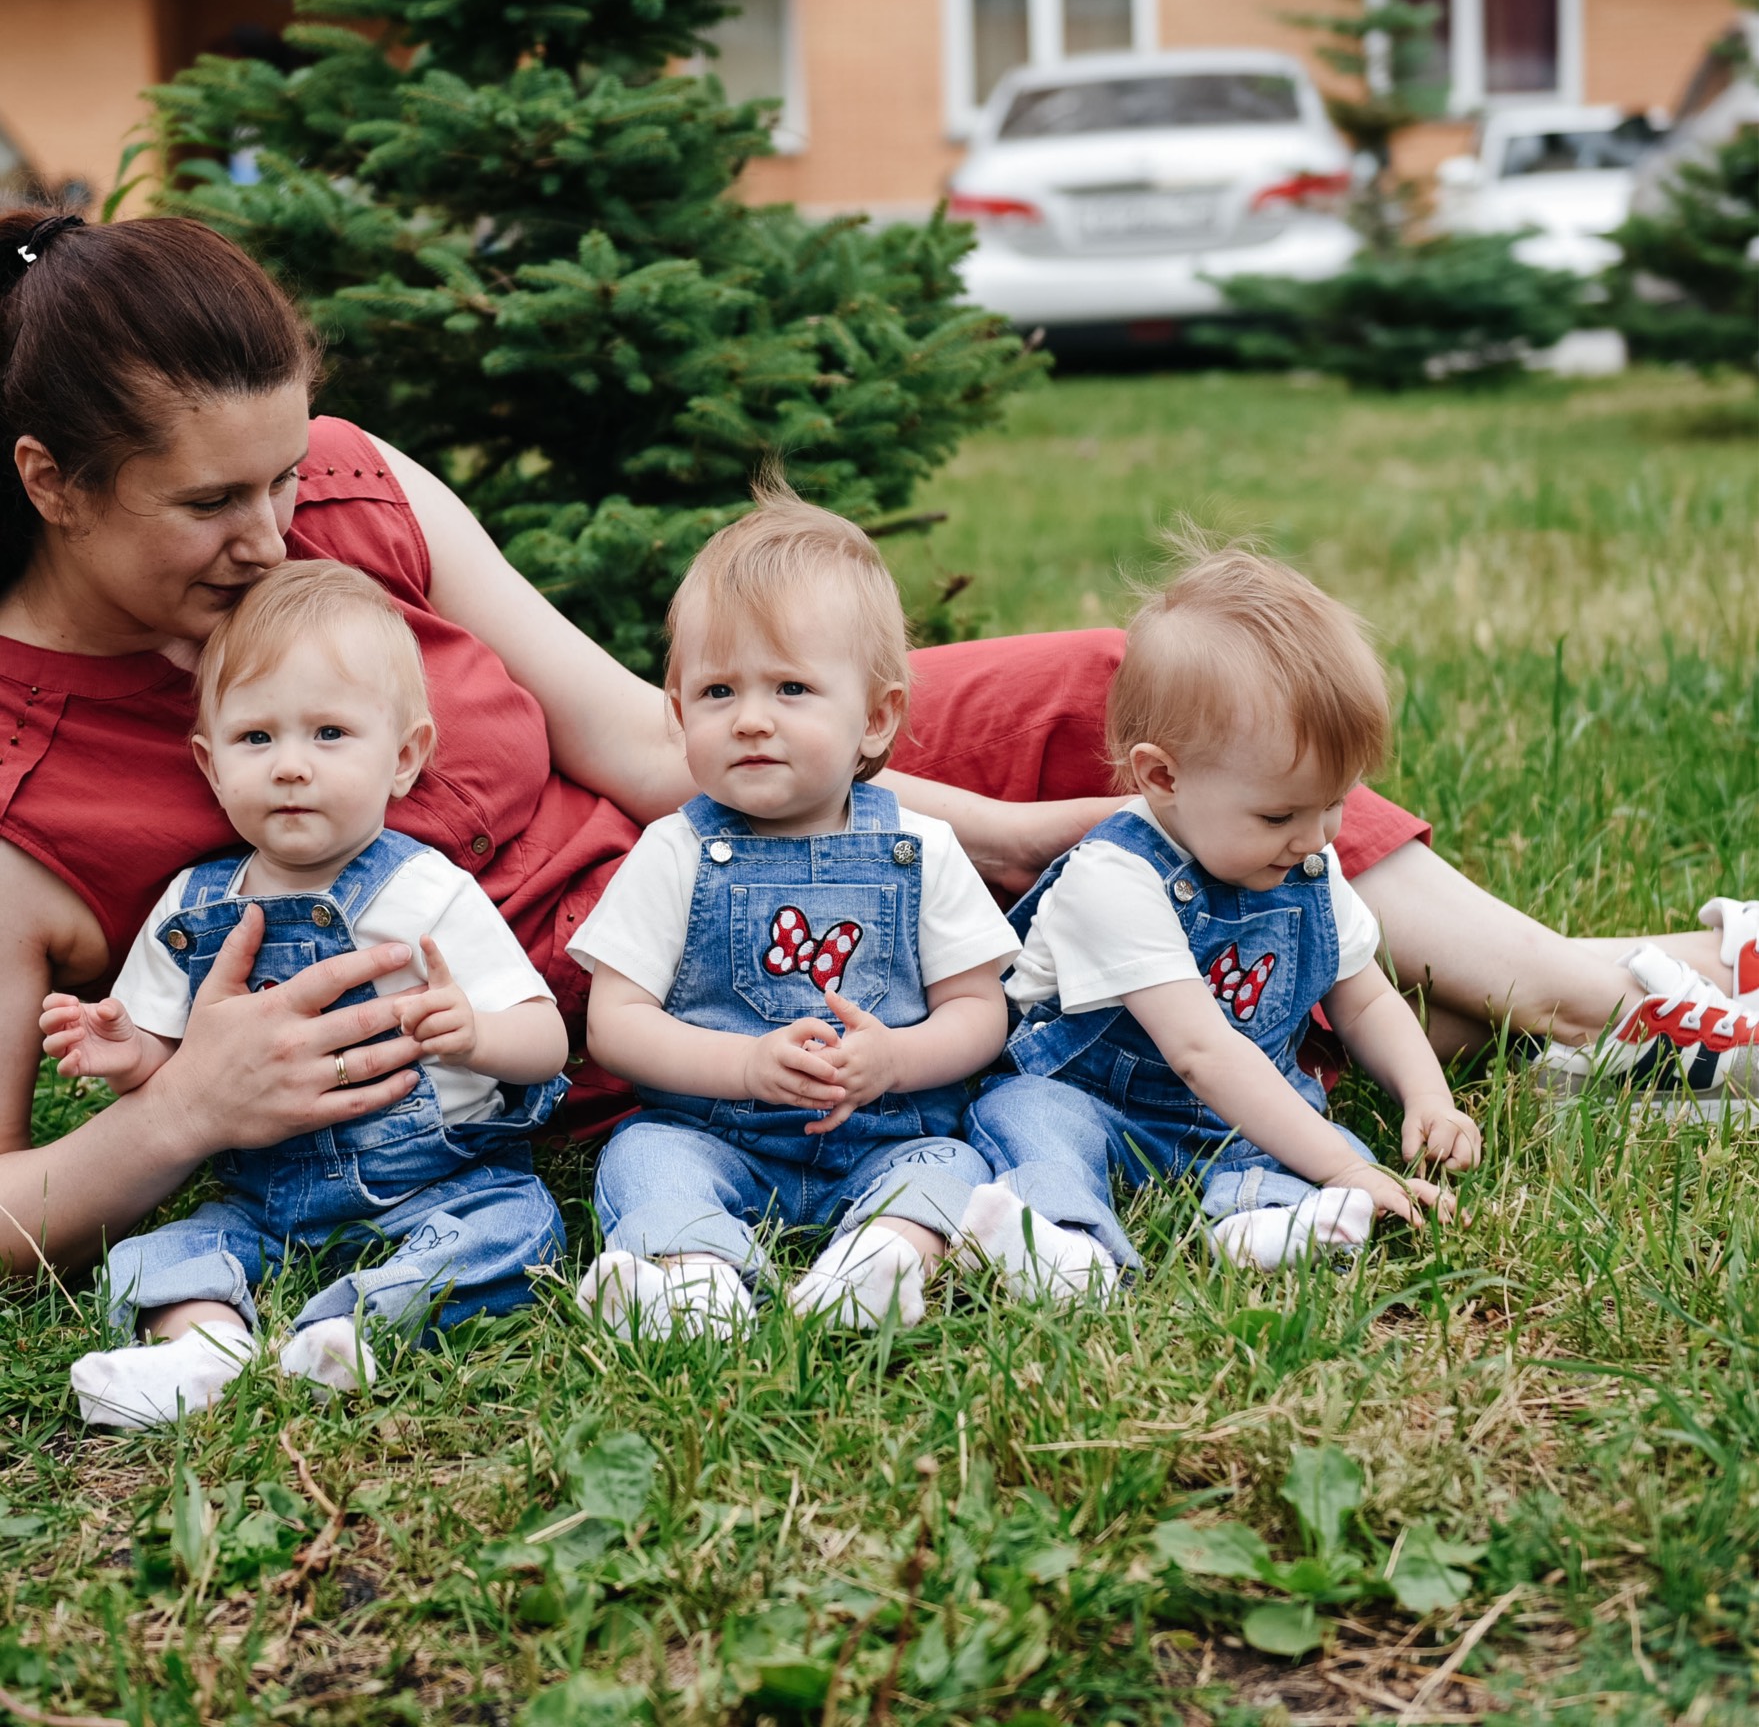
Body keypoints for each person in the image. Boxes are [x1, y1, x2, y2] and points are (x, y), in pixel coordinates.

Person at [0, 207, 1750, 1283]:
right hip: (676, 994)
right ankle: (1652, 1002)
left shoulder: (362, 493)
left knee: (1120, 689)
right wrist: (185, 1117)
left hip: (770, 791)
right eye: (209, 502)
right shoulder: (18, 790)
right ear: (50, 484)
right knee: (1317, 1003)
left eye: (288, 476)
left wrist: (938, 811)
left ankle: (1600, 998)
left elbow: (624, 730)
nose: (277, 530)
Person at [45, 562, 570, 1426]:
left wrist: (473, 1033)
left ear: (404, 757)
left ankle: (353, 1331)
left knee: (513, 1231)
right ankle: (201, 1349)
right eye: (258, 739)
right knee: (152, 1255)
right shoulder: (193, 909)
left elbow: (543, 1039)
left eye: (329, 734)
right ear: (211, 765)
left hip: (437, 1183)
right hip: (267, 1197)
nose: (290, 767)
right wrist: (129, 1053)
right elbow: (171, 1075)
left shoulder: (424, 890)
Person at [569, 486, 1038, 1334]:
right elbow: (617, 1024)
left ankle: (881, 1260)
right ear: (676, 714)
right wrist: (744, 1070)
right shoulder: (674, 851)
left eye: (790, 688)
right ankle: (696, 1278)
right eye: (717, 692)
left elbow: (980, 1010)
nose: (750, 720)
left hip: (887, 1132)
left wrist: (894, 1059)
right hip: (716, 1135)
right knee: (642, 1158)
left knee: (955, 1164)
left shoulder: (922, 849)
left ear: (875, 717)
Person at [961, 542, 1487, 1283]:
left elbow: (1363, 996)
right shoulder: (1115, 877)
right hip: (1096, 1103)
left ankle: (1267, 1221)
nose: (1315, 838)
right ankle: (1060, 1239)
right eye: (1278, 815)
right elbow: (1199, 1052)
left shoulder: (1304, 857)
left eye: (1333, 804)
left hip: (1242, 1105)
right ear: (1162, 775)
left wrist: (1425, 1094)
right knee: (1029, 1121)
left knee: (1286, 1130)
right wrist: (1341, 1166)